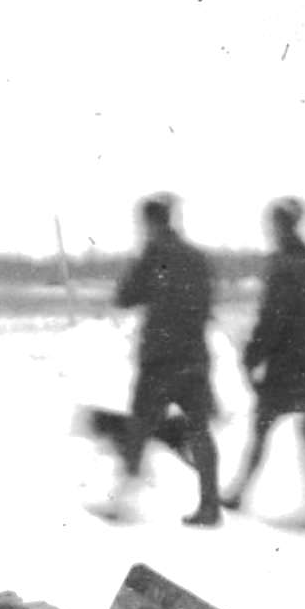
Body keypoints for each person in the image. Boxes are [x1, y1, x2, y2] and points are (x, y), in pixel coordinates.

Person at [221, 197, 305, 516]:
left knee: (263, 426)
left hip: (287, 364)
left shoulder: (283, 264)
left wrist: (252, 356)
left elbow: (273, 318)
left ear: (281, 226)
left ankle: (239, 491)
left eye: (274, 224)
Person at [103, 194, 222, 526]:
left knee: (139, 427)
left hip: (159, 359)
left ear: (149, 223)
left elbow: (124, 297)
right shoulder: (197, 258)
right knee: (200, 431)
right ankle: (210, 505)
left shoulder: (153, 256)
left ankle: (121, 502)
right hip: (195, 356)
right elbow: (209, 302)